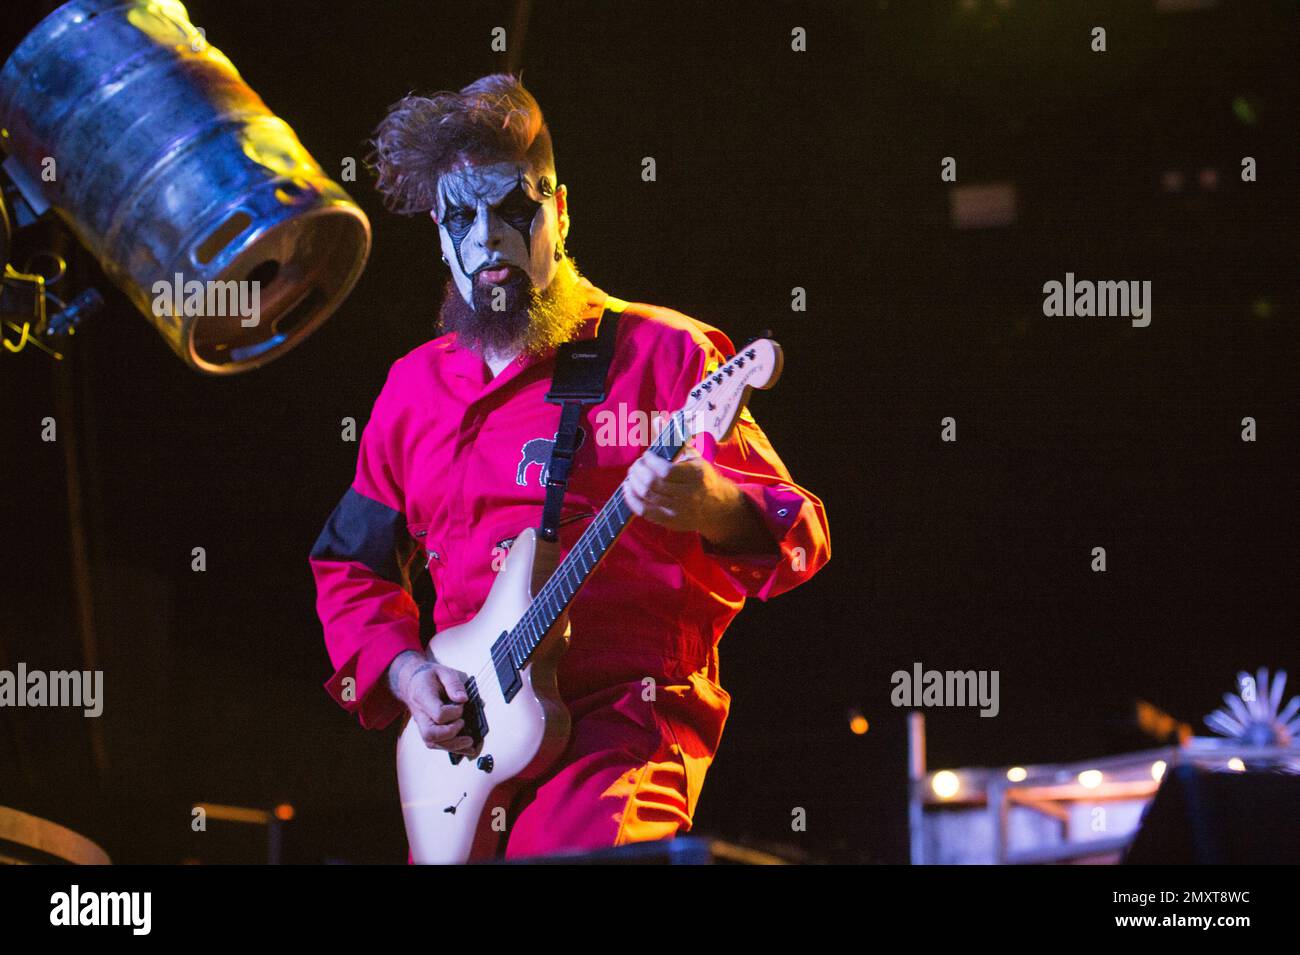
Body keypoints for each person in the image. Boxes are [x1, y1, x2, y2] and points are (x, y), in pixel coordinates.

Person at [309, 73, 830, 859]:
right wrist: (411, 674)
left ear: (560, 209)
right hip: (468, 747)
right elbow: (350, 565)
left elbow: (801, 533)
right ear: (438, 235)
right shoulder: (411, 390)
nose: (488, 240)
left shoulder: (664, 354)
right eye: (462, 217)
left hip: (620, 725)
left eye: (514, 208)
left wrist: (711, 501)